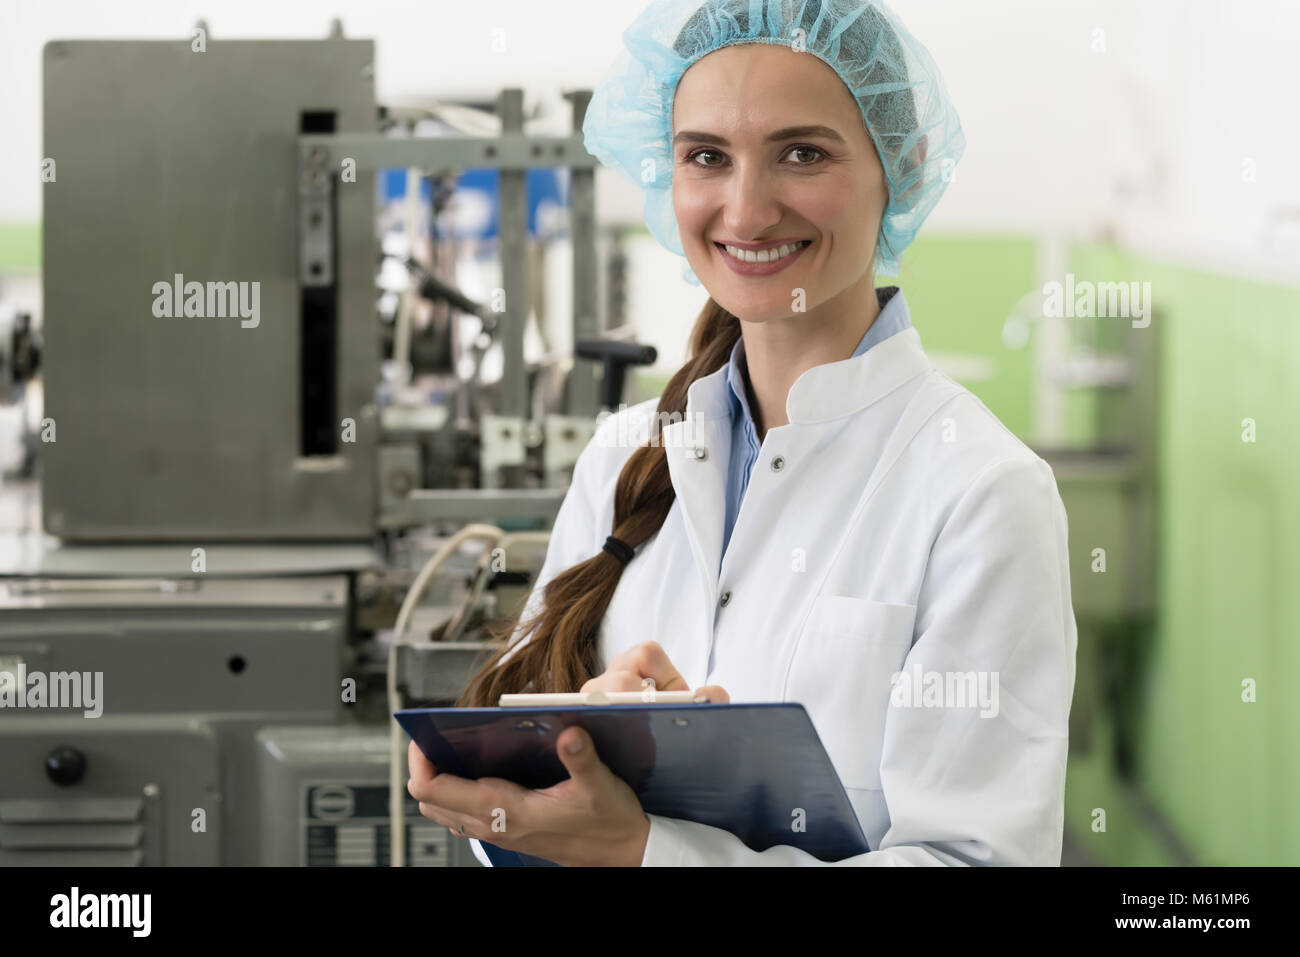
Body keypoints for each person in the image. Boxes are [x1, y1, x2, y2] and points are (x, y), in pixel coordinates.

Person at [407, 0, 1077, 866]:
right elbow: (520, 832)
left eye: (803, 153)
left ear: (899, 168)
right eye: (706, 157)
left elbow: (973, 860)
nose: (747, 207)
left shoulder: (981, 491)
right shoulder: (621, 455)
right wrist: (565, 773)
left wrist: (644, 848)